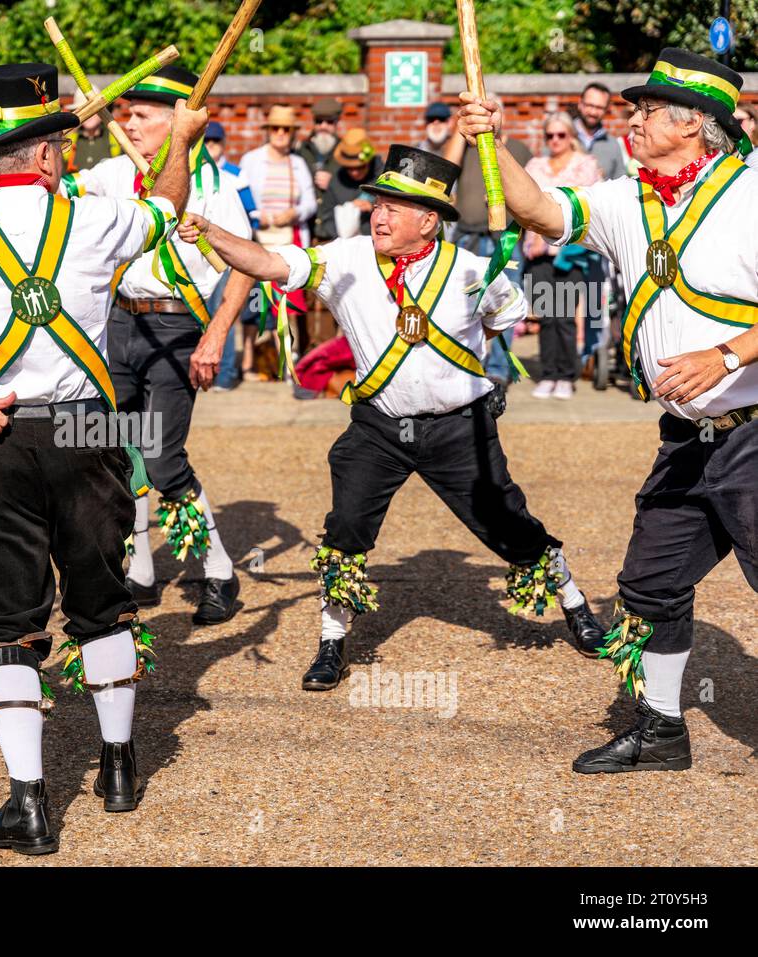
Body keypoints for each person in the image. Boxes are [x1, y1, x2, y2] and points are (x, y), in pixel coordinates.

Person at [0, 62, 208, 854]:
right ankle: (119, 765)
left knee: (4, 618)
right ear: (50, 154)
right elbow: (167, 209)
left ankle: (28, 803)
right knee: (103, 596)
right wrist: (183, 141)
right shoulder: (94, 220)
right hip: (89, 430)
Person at [178, 145, 606, 692]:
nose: (379, 214)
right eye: (378, 203)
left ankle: (574, 603)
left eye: (395, 207)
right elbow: (268, 263)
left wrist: (453, 377)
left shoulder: (476, 270)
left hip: (459, 428)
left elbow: (504, 321)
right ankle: (332, 641)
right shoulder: (347, 258)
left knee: (509, 525)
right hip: (378, 427)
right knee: (346, 529)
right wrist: (213, 232)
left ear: (429, 220)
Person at [458, 48, 758, 774]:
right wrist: (486, 141)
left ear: (696, 126)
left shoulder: (753, 196)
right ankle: (661, 730)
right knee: (651, 583)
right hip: (687, 438)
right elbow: (529, 206)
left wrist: (727, 356)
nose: (636, 119)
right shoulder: (631, 198)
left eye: (649, 110)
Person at [62, 65, 255, 625]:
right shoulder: (114, 172)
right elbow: (55, 189)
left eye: (142, 115)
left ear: (179, 122)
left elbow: (243, 264)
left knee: (164, 459)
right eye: (128, 113)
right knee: (116, 451)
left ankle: (218, 570)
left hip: (178, 329)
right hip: (117, 325)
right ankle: (140, 572)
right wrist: (74, 123)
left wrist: (216, 334)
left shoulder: (214, 183)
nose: (130, 122)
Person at [443, 103, 532, 387]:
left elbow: (531, 190)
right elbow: (445, 169)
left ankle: (500, 369)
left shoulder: (517, 149)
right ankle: (470, 364)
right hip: (468, 235)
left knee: (506, 302)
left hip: (504, 238)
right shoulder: (467, 147)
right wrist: (463, 126)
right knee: (465, 304)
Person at [522, 110, 604, 401]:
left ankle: (566, 375)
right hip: (538, 251)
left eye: (561, 134)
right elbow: (524, 204)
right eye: (550, 135)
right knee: (546, 315)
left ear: (571, 136)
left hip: (571, 251)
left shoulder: (586, 165)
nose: (555, 140)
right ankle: (548, 373)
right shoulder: (535, 165)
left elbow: (594, 207)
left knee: (566, 316)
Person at [203, 121, 257, 391]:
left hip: (227, 252)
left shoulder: (236, 174)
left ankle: (224, 375)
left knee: (224, 310)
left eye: (215, 142)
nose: (211, 146)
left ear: (223, 144)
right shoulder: (195, 171)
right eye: (206, 141)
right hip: (198, 251)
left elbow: (252, 213)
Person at [241, 104, 317, 247]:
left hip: (291, 241)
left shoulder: (299, 163)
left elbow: (310, 203)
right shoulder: (250, 160)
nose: (280, 133)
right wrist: (256, 216)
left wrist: (295, 213)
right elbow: (239, 198)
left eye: (286, 129)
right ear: (268, 131)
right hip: (257, 240)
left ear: (293, 133)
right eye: (275, 128)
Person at [316, 127, 380, 241]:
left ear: (369, 161)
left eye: (360, 167)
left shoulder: (383, 177)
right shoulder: (336, 180)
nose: (355, 172)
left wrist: (373, 207)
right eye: (349, 167)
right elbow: (327, 216)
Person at [296, 96, 343, 243]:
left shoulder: (346, 151)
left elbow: (355, 188)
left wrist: (333, 183)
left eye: (329, 122)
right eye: (319, 121)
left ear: (336, 123)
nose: (323, 126)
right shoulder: (301, 150)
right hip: (306, 232)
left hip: (335, 234)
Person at [573, 81, 626, 182]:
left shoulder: (612, 144)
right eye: (589, 105)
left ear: (607, 109)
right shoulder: (560, 136)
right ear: (580, 103)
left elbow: (621, 182)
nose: (593, 112)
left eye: (599, 107)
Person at [66, 92, 118, 171]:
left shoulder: (115, 140)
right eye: (83, 111)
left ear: (103, 111)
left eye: (93, 110)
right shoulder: (67, 143)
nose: (89, 115)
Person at [735, 103, 757, 168]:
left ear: (752, 123)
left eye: (739, 121)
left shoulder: (755, 157)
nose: (733, 125)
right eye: (730, 121)